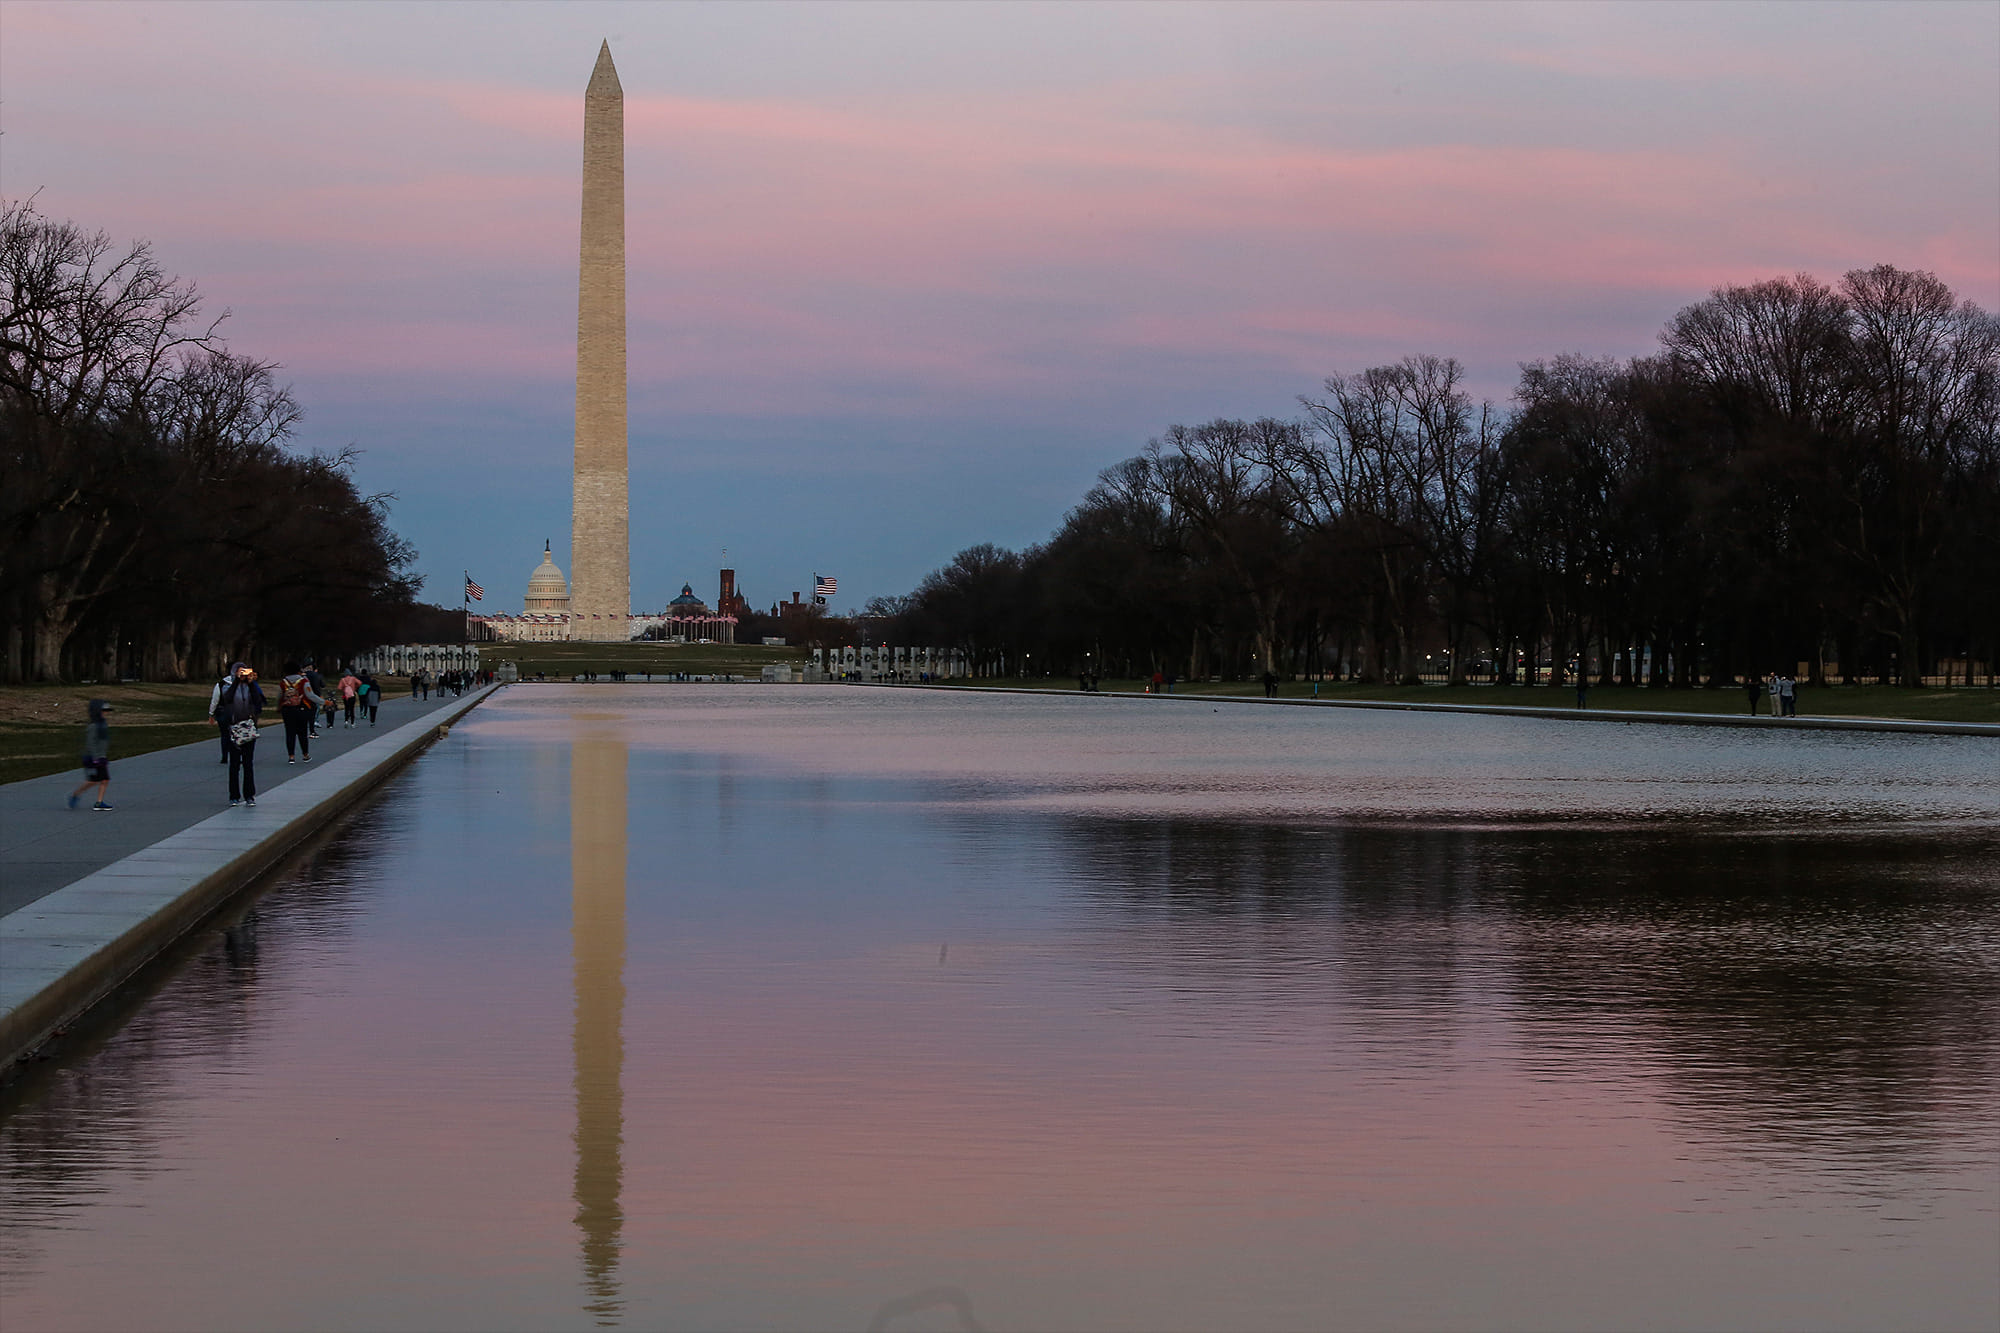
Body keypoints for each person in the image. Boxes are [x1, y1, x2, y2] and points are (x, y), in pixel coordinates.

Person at [214, 661, 265, 807]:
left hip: (248, 726)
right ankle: (234, 795)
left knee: (248, 763)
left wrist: (251, 683)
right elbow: (227, 699)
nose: (242, 674)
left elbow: (257, 701)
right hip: (233, 727)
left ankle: (249, 795)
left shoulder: (251, 687)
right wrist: (237, 681)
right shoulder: (227, 686)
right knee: (234, 764)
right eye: (239, 671)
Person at [68, 699, 114, 811]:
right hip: (92, 758)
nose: (106, 713)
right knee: (92, 781)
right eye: (104, 711)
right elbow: (91, 743)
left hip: (101, 757)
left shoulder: (102, 724)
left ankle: (99, 802)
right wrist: (96, 758)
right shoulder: (93, 726)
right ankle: (75, 794)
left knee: (105, 779)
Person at [277, 659, 322, 763]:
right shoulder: (304, 681)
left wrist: (279, 707)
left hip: (288, 710)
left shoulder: (283, 682)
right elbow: (310, 695)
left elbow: (280, 696)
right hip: (302, 709)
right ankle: (305, 755)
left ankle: (291, 756)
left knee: (290, 733)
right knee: (302, 733)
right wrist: (322, 702)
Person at [207, 665, 235, 763]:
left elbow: (215, 700)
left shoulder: (220, 685)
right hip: (237, 712)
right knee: (236, 734)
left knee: (224, 734)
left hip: (223, 711)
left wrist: (211, 713)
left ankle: (224, 756)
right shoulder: (241, 684)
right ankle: (235, 755)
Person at [302, 659, 327, 737]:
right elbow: (321, 685)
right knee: (312, 714)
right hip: (313, 696)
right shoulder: (316, 675)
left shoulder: (301, 676)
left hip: (302, 697)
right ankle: (312, 731)